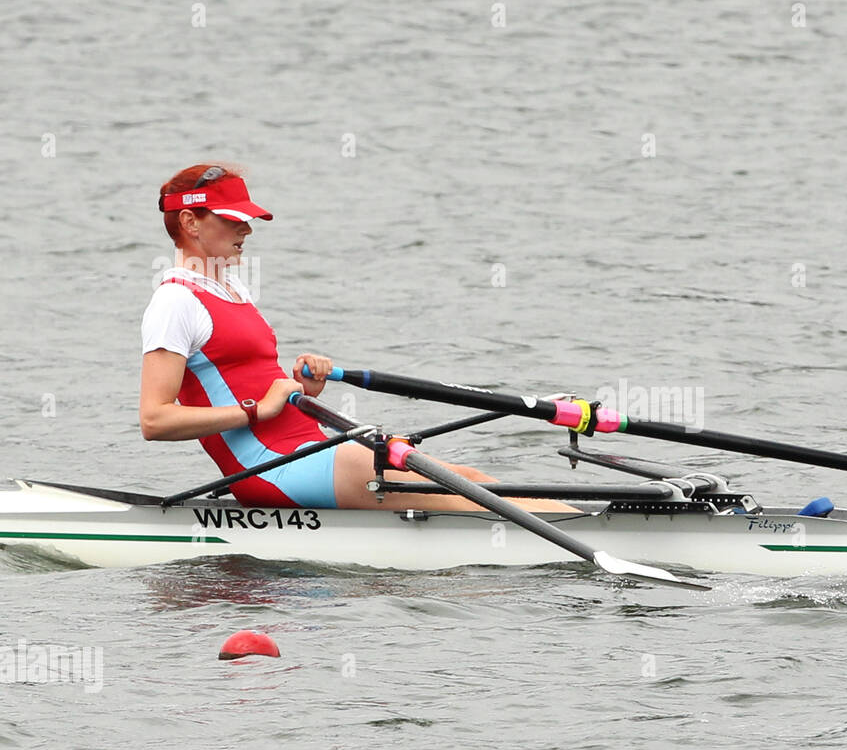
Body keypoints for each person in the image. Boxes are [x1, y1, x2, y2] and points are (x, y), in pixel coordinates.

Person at [140, 163, 555, 511]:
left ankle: (588, 524)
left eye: (246, 220)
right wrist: (256, 410)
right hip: (271, 467)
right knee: (465, 496)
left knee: (471, 480)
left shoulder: (233, 290)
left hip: (308, 446)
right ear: (191, 221)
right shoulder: (175, 301)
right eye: (233, 219)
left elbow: (240, 381)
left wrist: (303, 387)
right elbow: (154, 419)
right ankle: (597, 538)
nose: (246, 230)